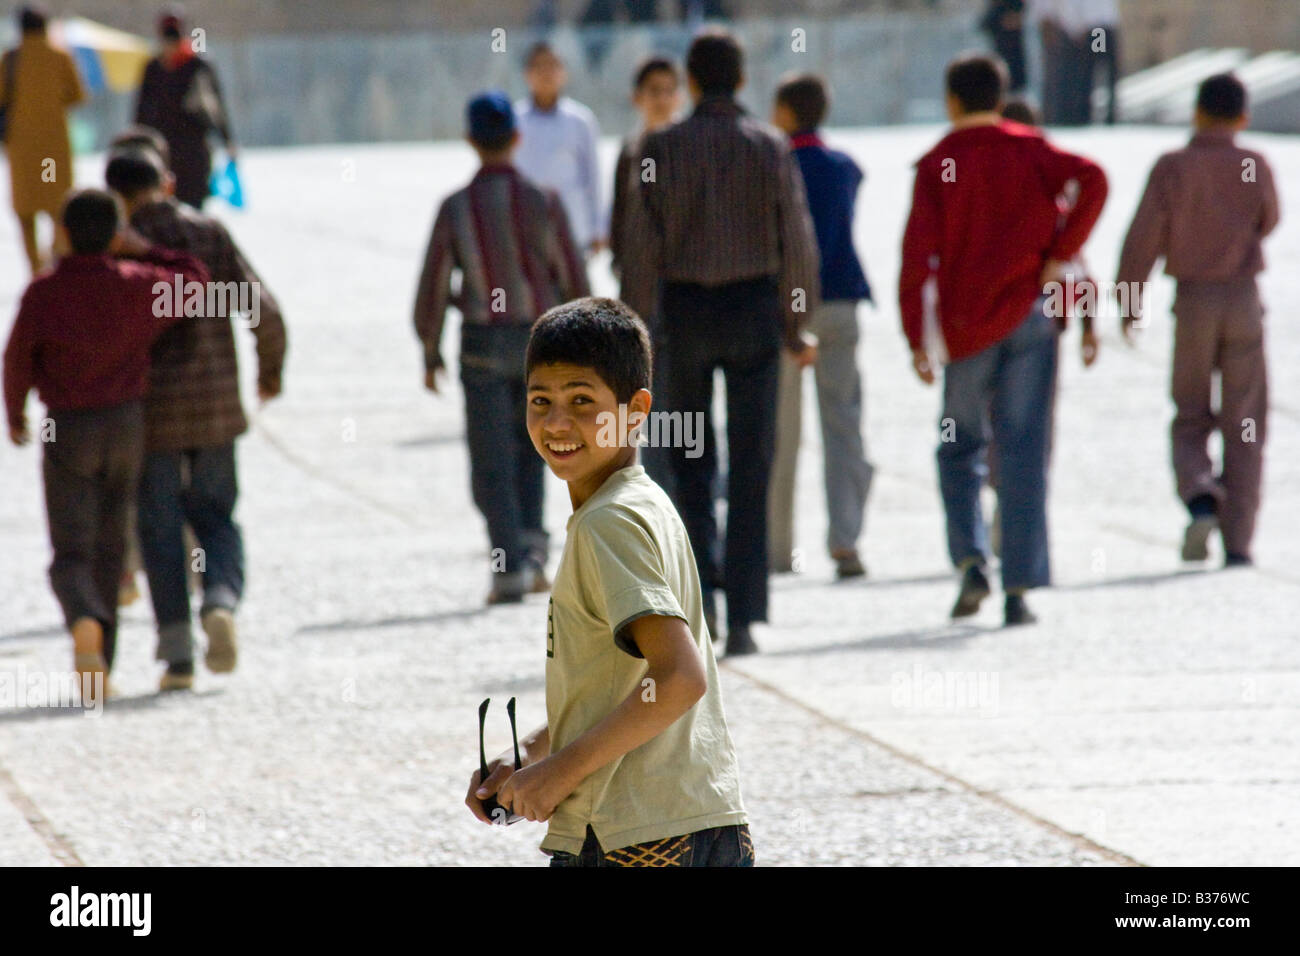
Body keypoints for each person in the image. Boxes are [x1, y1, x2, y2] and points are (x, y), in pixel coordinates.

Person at [466, 297, 752, 867]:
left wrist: (560, 774)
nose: (557, 423)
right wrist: (533, 751)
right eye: (540, 401)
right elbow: (626, 684)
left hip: (633, 838)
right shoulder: (643, 503)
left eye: (582, 402)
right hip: (700, 820)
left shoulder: (607, 523)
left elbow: (678, 677)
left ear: (637, 409)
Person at [899, 53, 1106, 626]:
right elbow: (1095, 177)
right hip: (1031, 320)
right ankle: (1019, 586)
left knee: (959, 445)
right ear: (1000, 94)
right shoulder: (1030, 148)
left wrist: (917, 336)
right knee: (1022, 448)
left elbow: (916, 256)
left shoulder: (939, 162)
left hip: (967, 331)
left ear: (951, 100)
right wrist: (1061, 255)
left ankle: (970, 559)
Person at [640, 28, 820, 655]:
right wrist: (797, 323)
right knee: (751, 464)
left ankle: (701, 606)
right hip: (752, 313)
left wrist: (638, 336)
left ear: (690, 82)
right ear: (742, 81)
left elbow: (641, 254)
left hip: (685, 314)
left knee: (690, 463)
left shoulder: (658, 148)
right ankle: (744, 616)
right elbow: (797, 241)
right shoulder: (769, 146)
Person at [3, 189, 208, 699]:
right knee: (110, 547)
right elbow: (199, 285)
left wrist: (16, 414)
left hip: (67, 426)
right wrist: (148, 251)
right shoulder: (138, 285)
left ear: (64, 233)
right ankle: (102, 667)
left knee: (71, 546)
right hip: (127, 425)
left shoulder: (44, 293)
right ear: (115, 234)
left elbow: (16, 357)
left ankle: (83, 622)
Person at [105, 146, 287, 691]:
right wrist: (269, 369)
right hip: (215, 410)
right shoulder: (209, 232)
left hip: (151, 416)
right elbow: (262, 307)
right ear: (166, 179)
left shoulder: (117, 245)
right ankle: (221, 601)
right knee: (216, 517)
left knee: (158, 527)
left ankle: (178, 654)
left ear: (117, 194)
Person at [414, 91, 589, 604]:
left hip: (483, 346)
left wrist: (430, 350)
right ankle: (533, 552)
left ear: (470, 140)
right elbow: (573, 276)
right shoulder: (545, 202)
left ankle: (507, 565)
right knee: (536, 446)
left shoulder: (455, 208)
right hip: (543, 344)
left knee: (491, 458)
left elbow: (432, 283)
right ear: (517, 137)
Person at [1116, 73, 1278, 568]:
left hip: (1193, 303)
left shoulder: (1174, 167)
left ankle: (1201, 495)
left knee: (1190, 414)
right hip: (1243, 301)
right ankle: (1239, 541)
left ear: (1197, 111)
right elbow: (1268, 219)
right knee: (1245, 421)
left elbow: (1143, 237)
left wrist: (1129, 301)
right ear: (1243, 117)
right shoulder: (1252, 164)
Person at [767, 73, 874, 580]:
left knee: (781, 431)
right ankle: (845, 541)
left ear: (786, 112)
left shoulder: (774, 163)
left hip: (786, 305)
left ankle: (776, 547)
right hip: (840, 301)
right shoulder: (843, 166)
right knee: (843, 424)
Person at [609, 55, 682, 496]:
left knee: (686, 411)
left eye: (668, 89)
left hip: (686, 295)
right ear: (638, 98)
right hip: (642, 298)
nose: (661, 98)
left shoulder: (690, 146)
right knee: (649, 405)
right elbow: (620, 221)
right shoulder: (631, 149)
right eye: (652, 90)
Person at [0, 5, 86, 275]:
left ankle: (36, 270)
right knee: (59, 208)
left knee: (26, 213)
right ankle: (54, 264)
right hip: (53, 150)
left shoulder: (10, 59)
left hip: (22, 148)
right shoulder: (60, 56)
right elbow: (78, 95)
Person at [134, 7, 236, 208]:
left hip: (193, 149)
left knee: (194, 202)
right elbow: (142, 109)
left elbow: (215, 106)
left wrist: (227, 140)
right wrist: (137, 141)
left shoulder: (197, 66)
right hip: (164, 149)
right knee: (165, 203)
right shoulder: (154, 67)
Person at [514, 43, 604, 255]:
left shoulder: (581, 120)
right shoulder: (514, 120)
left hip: (573, 229)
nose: (547, 73)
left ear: (563, 72)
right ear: (527, 74)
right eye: (539, 66)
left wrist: (598, 228)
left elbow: (593, 176)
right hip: (525, 231)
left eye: (552, 66)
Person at [980, 1, 1028, 92]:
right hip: (1002, 57)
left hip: (1013, 58)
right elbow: (985, 24)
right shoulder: (996, 11)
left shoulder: (1012, 7)